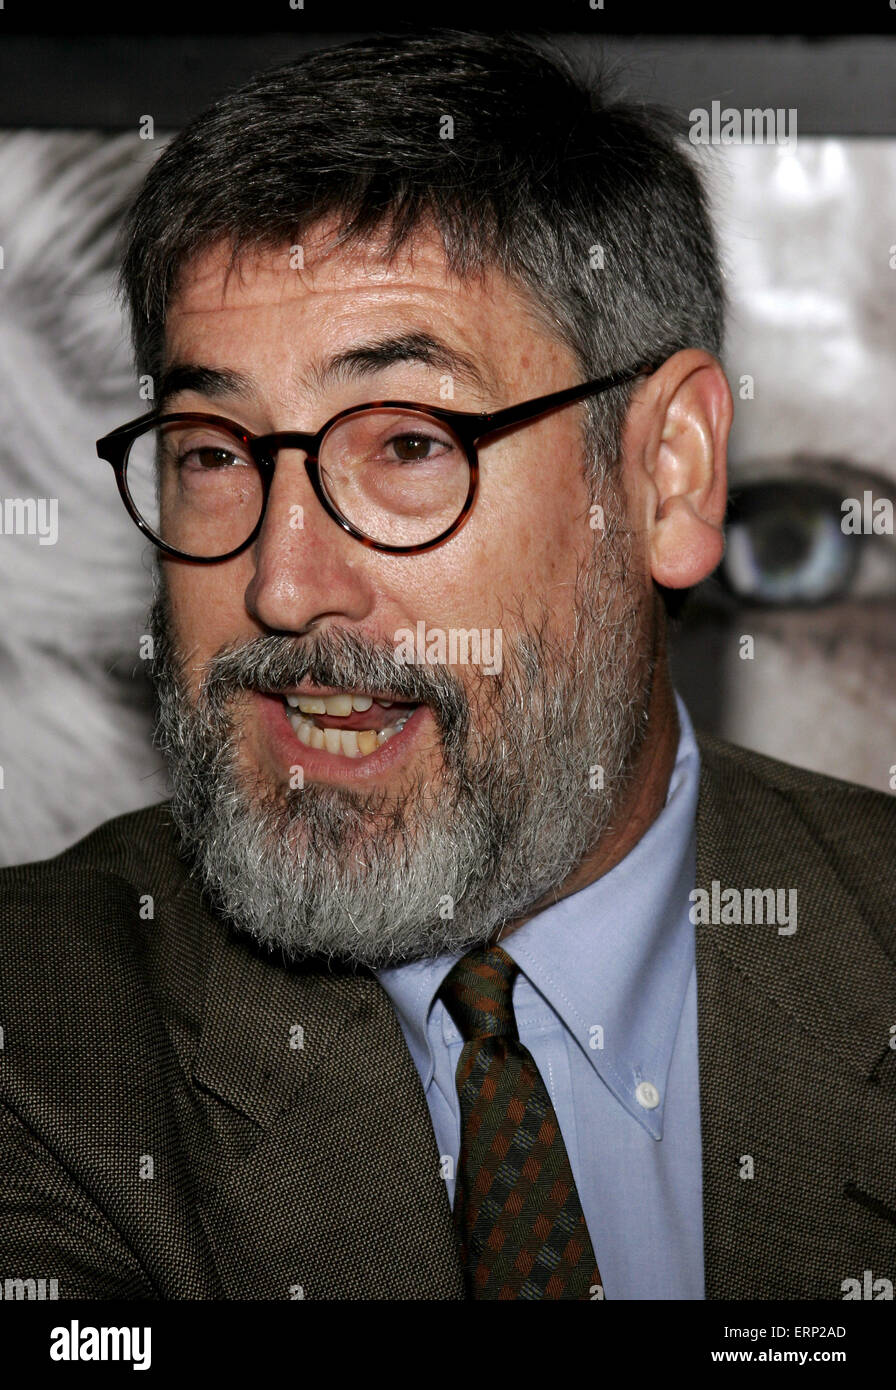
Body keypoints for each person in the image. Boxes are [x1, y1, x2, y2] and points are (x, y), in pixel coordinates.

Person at [1, 30, 893, 1302]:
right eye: (211, 452)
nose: (282, 581)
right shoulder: (40, 1042)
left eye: (410, 444)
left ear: (665, 473)